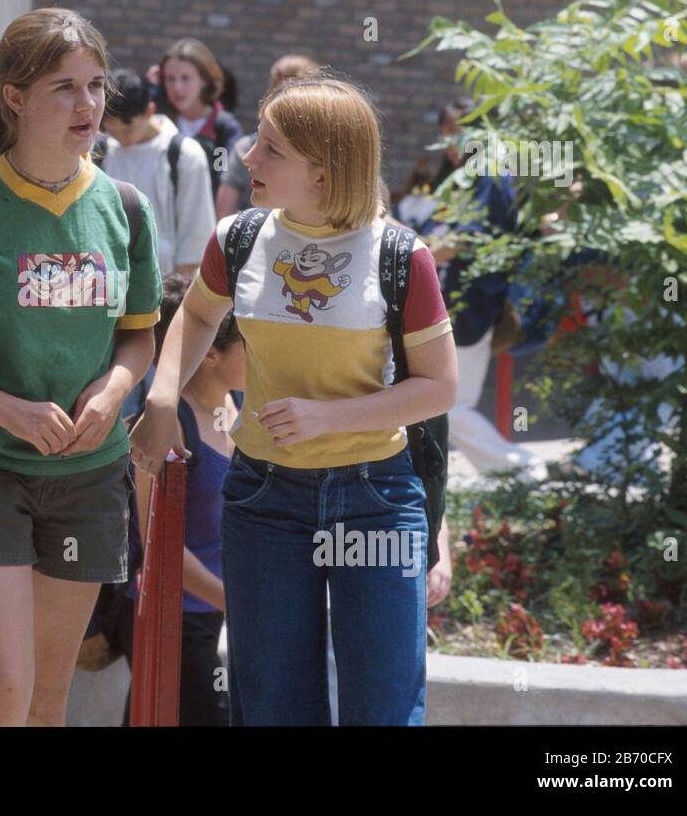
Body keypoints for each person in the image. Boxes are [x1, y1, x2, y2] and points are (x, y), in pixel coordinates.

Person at [129, 74, 457, 726]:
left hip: (377, 502)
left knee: (382, 711)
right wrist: (162, 397)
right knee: (273, 707)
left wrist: (328, 418)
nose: (247, 157)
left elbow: (440, 387)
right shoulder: (238, 239)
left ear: (324, 172)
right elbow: (194, 319)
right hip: (265, 501)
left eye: (271, 149)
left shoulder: (400, 257)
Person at [0, 7, 162, 727]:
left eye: (97, 86)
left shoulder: (127, 210)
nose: (89, 106)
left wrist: (114, 393)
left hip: (86, 477)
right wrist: (8, 409)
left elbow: (140, 339)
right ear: (14, 97)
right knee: (2, 691)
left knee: (49, 696)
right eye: (65, 88)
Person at [101, 272, 242, 726]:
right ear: (213, 353)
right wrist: (236, 601)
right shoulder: (168, 426)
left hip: (211, 614)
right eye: (248, 342)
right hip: (168, 616)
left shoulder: (237, 408)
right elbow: (158, 543)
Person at [422, 99, 544, 481]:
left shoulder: (487, 175)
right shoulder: (475, 176)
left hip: (474, 303)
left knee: (448, 405)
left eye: (456, 131)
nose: (450, 141)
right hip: (469, 300)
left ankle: (520, 470)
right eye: (446, 132)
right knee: (448, 403)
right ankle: (513, 470)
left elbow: (467, 240)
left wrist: (418, 252)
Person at [100, 69, 214, 277]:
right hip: (107, 280)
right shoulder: (101, 152)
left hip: (164, 282)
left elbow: (195, 236)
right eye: (112, 131)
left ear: (149, 111)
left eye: (126, 130)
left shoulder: (184, 154)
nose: (120, 138)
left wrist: (178, 293)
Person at [218, 54, 320, 218]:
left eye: (273, 150)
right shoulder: (245, 147)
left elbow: (224, 211)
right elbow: (224, 213)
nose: (249, 159)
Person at [153, 38, 242, 200]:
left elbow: (224, 179)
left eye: (185, 78)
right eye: (170, 79)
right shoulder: (158, 123)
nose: (177, 88)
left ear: (204, 80)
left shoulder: (224, 128)